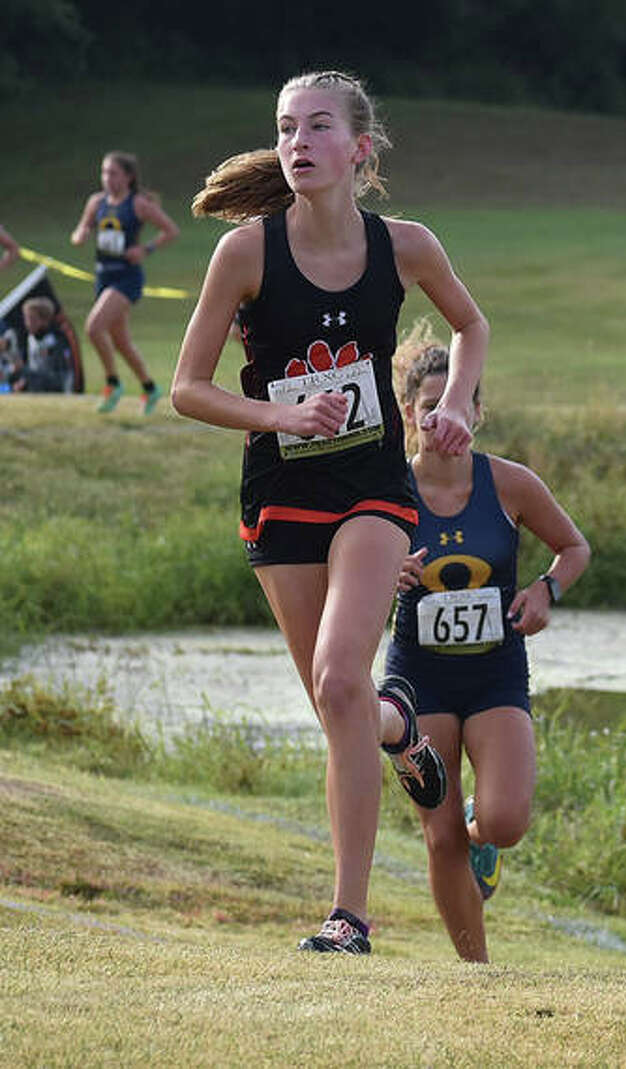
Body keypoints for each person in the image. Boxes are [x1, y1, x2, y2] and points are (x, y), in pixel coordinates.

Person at [172, 70, 490, 954]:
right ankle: (408, 738)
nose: (298, 142)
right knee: (339, 699)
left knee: (339, 678)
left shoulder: (407, 245)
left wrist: (456, 402)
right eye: (285, 128)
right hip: (280, 491)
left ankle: (348, 916)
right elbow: (186, 390)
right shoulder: (244, 253)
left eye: (317, 127)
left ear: (362, 149)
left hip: (373, 486)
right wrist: (280, 413)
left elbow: (471, 327)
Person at [385, 320, 590, 962]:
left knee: (503, 822)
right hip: (419, 679)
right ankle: (478, 973)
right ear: (408, 415)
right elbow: (338, 564)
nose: (441, 421)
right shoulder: (386, 487)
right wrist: (380, 571)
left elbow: (574, 548)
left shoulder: (511, 484)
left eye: (455, 407)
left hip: (495, 673)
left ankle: (484, 838)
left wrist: (544, 591)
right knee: (439, 837)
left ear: (476, 411)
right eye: (428, 409)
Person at [70, 150, 179, 414]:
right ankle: (150, 388)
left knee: (94, 328)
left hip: (127, 278)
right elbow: (78, 233)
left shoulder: (138, 204)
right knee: (121, 342)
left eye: (113, 173)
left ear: (128, 177)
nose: (107, 178)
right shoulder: (96, 202)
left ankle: (112, 383)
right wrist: (82, 233)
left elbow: (171, 230)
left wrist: (146, 249)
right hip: (103, 276)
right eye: (104, 172)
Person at [10, 296, 75, 393]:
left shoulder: (56, 342)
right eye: (26, 319)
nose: (27, 324)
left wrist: (24, 371)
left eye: (31, 319)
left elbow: (59, 380)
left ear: (44, 320)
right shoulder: (30, 339)